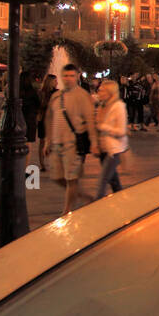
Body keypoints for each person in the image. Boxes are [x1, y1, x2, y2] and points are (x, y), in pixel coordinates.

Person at [45, 63, 99, 216]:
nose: (68, 79)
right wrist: (48, 140)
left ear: (77, 77)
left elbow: (90, 121)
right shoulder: (56, 96)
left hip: (72, 145)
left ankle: (67, 211)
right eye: (65, 76)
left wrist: (94, 142)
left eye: (71, 76)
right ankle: (84, 197)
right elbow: (49, 118)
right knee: (56, 177)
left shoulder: (83, 96)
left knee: (71, 178)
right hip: (56, 143)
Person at [94, 80, 129, 199]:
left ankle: (96, 209)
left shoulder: (119, 107)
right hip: (103, 150)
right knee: (115, 184)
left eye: (101, 90)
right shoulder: (101, 106)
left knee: (102, 183)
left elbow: (122, 131)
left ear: (109, 93)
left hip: (114, 150)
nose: (98, 91)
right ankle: (124, 205)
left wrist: (104, 127)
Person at [36, 74, 58, 165]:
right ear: (51, 82)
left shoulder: (41, 93)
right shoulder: (54, 93)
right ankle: (48, 162)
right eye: (55, 81)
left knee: (43, 142)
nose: (57, 83)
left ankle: (43, 163)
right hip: (50, 120)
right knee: (49, 141)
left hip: (44, 119)